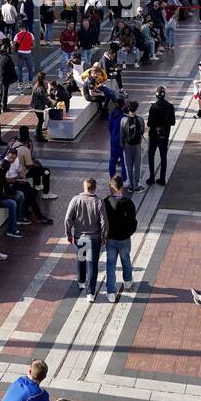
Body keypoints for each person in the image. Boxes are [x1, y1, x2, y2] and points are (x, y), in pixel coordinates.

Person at [64, 177, 108, 301]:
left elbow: (68, 218)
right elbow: (104, 221)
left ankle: (81, 281)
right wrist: (104, 236)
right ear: (95, 188)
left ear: (84, 187)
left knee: (81, 259)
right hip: (94, 238)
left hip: (79, 237)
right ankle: (90, 293)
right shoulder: (98, 202)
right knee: (92, 264)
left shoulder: (75, 200)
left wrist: (68, 233)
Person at [103, 175, 136, 303]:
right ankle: (127, 281)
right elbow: (133, 221)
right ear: (122, 187)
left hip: (110, 239)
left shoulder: (105, 202)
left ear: (111, 187)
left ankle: (111, 292)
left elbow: (103, 221)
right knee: (126, 259)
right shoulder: (128, 202)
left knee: (110, 265)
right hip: (124, 238)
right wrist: (129, 233)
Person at [146, 87, 175, 186]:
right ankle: (162, 179)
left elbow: (149, 124)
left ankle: (151, 177)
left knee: (151, 156)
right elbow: (173, 122)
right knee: (163, 157)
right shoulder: (170, 107)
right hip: (164, 136)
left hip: (153, 136)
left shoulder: (153, 107)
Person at [121, 100, 145, 193]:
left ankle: (130, 185)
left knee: (129, 165)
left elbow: (122, 134)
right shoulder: (140, 119)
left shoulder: (123, 120)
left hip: (127, 145)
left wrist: (122, 145)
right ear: (136, 109)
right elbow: (142, 131)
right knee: (138, 165)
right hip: (137, 144)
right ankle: (137, 185)